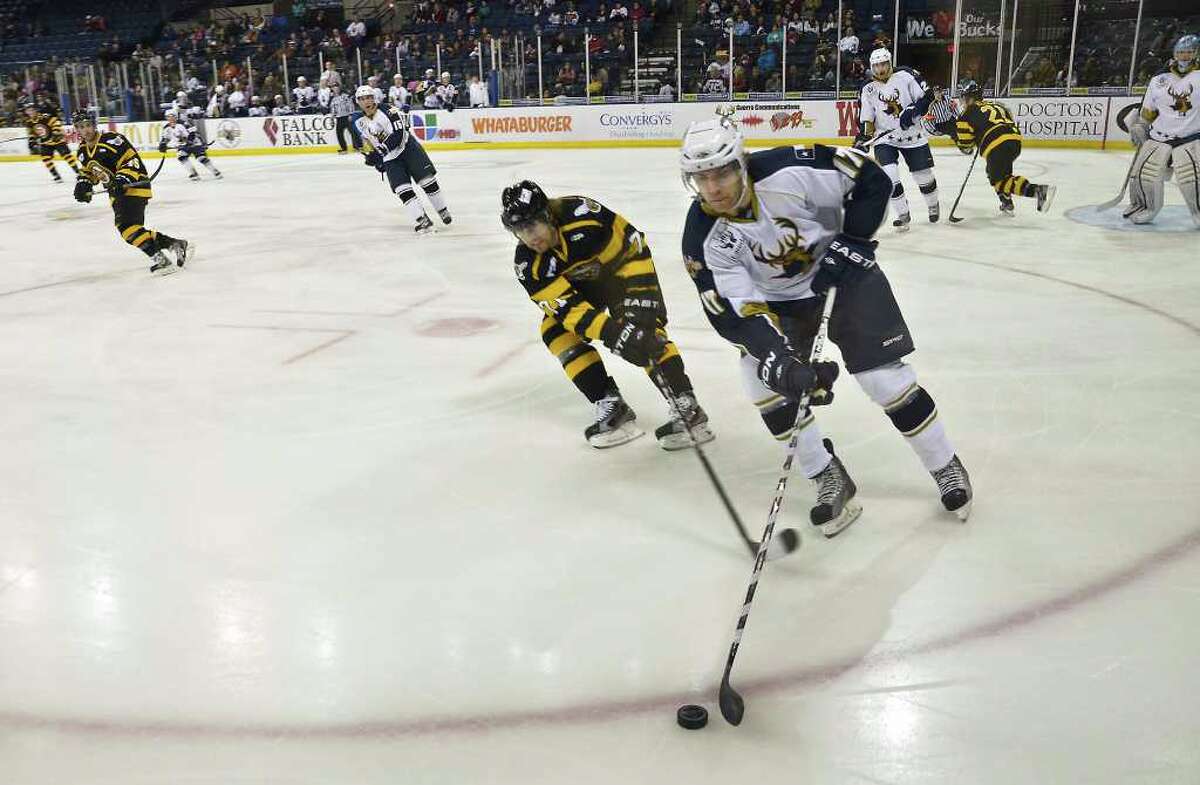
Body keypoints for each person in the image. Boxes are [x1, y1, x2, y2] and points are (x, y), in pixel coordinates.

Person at [677, 111, 972, 535]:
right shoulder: (702, 236)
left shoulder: (790, 170)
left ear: (739, 162)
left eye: (721, 173)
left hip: (846, 274)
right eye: (700, 178)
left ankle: (945, 465)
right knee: (764, 384)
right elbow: (735, 312)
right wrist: (780, 361)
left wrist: (853, 242)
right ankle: (827, 475)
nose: (712, 188)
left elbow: (871, 180)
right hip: (780, 303)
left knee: (883, 381)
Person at [500, 180, 715, 450]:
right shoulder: (528, 264)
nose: (529, 237)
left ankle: (687, 407)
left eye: (531, 226)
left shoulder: (585, 218)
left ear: (547, 215)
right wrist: (611, 332)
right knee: (554, 332)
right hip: (587, 292)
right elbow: (568, 309)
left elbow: (633, 249)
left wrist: (637, 314)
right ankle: (612, 405)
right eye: (519, 230)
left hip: (625, 276)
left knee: (643, 333)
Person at [72, 110, 192, 275]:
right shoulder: (82, 151)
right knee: (132, 229)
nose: (85, 130)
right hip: (117, 193)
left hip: (134, 185)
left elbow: (131, 160)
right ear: (76, 130)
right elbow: (89, 172)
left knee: (127, 228)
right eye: (80, 127)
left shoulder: (113, 140)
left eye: (87, 125)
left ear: (94, 125)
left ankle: (162, 261)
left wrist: (122, 179)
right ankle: (175, 244)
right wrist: (83, 185)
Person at [854, 48, 940, 229]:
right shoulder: (867, 88)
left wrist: (912, 111)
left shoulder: (906, 75)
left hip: (913, 135)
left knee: (923, 177)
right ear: (872, 66)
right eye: (876, 66)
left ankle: (933, 204)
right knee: (889, 177)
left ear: (890, 63)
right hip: (885, 139)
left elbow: (928, 97)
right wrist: (863, 137)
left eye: (884, 64)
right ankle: (903, 214)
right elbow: (866, 118)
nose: (881, 69)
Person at [353, 85, 451, 232]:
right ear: (358, 102)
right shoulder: (359, 121)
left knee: (427, 181)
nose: (366, 101)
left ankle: (442, 210)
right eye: (362, 99)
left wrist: (380, 152)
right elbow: (370, 140)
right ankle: (422, 219)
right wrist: (377, 159)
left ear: (374, 98)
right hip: (390, 158)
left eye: (369, 97)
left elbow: (398, 135)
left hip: (408, 148)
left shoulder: (388, 110)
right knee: (402, 189)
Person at [1124, 34, 1199, 227]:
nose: (1184, 56)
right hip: (1159, 137)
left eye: (1189, 52)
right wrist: (1140, 125)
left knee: (1193, 181)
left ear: (1196, 53)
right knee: (1142, 176)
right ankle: (1141, 205)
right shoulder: (1159, 78)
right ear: (1174, 54)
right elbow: (1149, 109)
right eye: (1181, 52)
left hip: (1190, 138)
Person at [953, 79, 1055, 216]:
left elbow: (966, 145)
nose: (962, 102)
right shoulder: (998, 106)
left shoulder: (965, 115)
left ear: (969, 98)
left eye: (963, 98)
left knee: (998, 180)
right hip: (1014, 141)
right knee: (998, 174)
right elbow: (1007, 120)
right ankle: (1006, 202)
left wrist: (967, 144)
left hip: (996, 145)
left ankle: (1038, 191)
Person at [20, 97, 78, 183]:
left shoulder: (44, 117)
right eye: (28, 111)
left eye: (32, 110)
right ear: (26, 112)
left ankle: (78, 172)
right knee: (45, 158)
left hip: (57, 140)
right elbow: (31, 133)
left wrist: (56, 132)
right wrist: (32, 141)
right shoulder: (29, 123)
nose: (30, 112)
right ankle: (56, 175)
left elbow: (56, 122)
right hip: (46, 142)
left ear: (36, 110)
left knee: (66, 155)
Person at [158, 109, 222, 181]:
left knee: (201, 158)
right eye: (168, 117)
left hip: (195, 143)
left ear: (176, 117)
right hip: (184, 145)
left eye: (172, 116)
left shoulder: (184, 123)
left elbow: (193, 132)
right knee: (181, 156)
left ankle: (215, 171)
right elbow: (165, 138)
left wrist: (190, 141)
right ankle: (193, 173)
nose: (170, 118)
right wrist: (162, 144)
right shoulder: (166, 128)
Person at [329, 84, 359, 153]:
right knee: (339, 134)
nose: (336, 90)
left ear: (339, 88)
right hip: (339, 118)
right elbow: (333, 109)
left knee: (353, 132)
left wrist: (351, 114)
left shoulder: (345, 96)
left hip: (346, 116)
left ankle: (356, 147)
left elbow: (350, 105)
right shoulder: (333, 99)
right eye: (334, 88)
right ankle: (344, 148)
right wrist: (332, 118)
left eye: (337, 88)